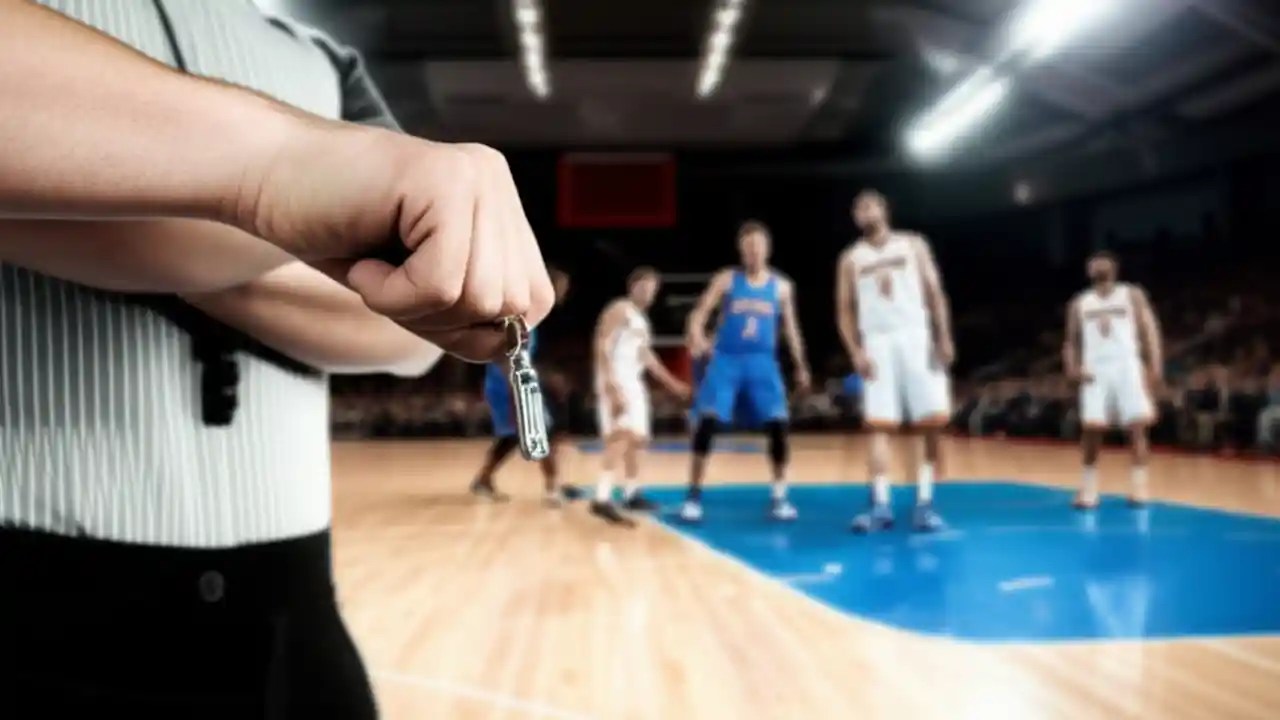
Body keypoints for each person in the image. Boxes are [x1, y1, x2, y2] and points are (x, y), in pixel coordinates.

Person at [0, 1, 550, 716]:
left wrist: (94, 225)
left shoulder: (319, 59)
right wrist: (273, 188)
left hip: (293, 616)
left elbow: (414, 327)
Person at [836, 190, 953, 533]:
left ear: (885, 210)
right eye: (858, 208)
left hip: (916, 336)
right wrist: (855, 351)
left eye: (870, 205)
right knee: (878, 426)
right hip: (877, 341)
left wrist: (943, 336)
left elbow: (934, 293)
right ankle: (881, 505)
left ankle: (925, 503)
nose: (864, 212)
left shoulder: (913, 244)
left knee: (930, 423)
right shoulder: (850, 258)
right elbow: (844, 311)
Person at [680, 220, 812, 523]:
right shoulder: (727, 279)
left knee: (778, 426)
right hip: (727, 359)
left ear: (767, 249)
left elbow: (792, 330)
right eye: (748, 247)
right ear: (742, 251)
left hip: (762, 361)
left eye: (758, 246)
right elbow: (698, 314)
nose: (753, 252)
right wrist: (698, 336)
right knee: (708, 423)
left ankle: (779, 496)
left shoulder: (781, 286)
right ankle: (694, 496)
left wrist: (801, 364)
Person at [470, 268, 580, 505]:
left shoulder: (531, 317)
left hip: (506, 382)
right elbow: (502, 354)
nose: (564, 293)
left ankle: (483, 479)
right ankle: (553, 489)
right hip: (505, 384)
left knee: (511, 436)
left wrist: (548, 377)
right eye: (561, 288)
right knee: (541, 430)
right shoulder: (518, 314)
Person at [591, 267, 691, 525]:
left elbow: (647, 358)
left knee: (639, 439)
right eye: (643, 286)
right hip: (616, 379)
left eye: (653, 288)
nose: (648, 291)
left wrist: (673, 384)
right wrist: (611, 385)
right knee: (619, 437)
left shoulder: (642, 321)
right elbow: (601, 343)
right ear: (631, 286)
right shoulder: (619, 309)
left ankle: (631, 493)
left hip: (633, 382)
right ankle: (601, 498)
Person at [1063, 250, 1163, 508]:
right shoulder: (1079, 302)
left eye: (1103, 260)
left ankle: (1140, 488)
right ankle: (1088, 489)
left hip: (1127, 365)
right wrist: (1072, 367)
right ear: (1088, 270)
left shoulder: (1131, 294)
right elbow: (1071, 341)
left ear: (1115, 267)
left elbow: (1149, 329)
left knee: (1137, 427)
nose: (1098, 264)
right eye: (1093, 261)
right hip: (1094, 369)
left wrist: (1154, 364)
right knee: (1092, 429)